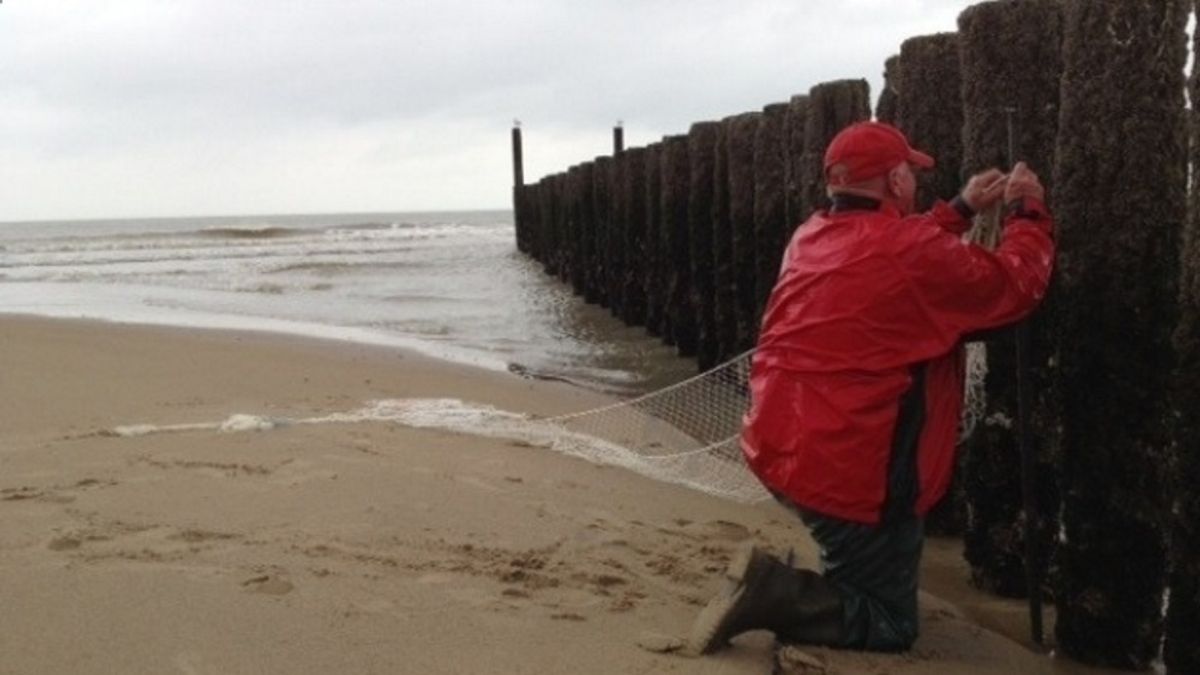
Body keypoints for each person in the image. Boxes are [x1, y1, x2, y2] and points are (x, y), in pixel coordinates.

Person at [688, 121, 1054, 654]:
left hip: (778, 449)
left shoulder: (811, 235)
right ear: (896, 180)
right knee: (890, 621)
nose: (914, 181)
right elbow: (1015, 286)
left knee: (854, 545)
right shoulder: (909, 252)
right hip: (850, 470)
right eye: (909, 171)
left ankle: (837, 569)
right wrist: (1029, 214)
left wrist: (960, 208)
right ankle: (772, 592)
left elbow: (895, 253)